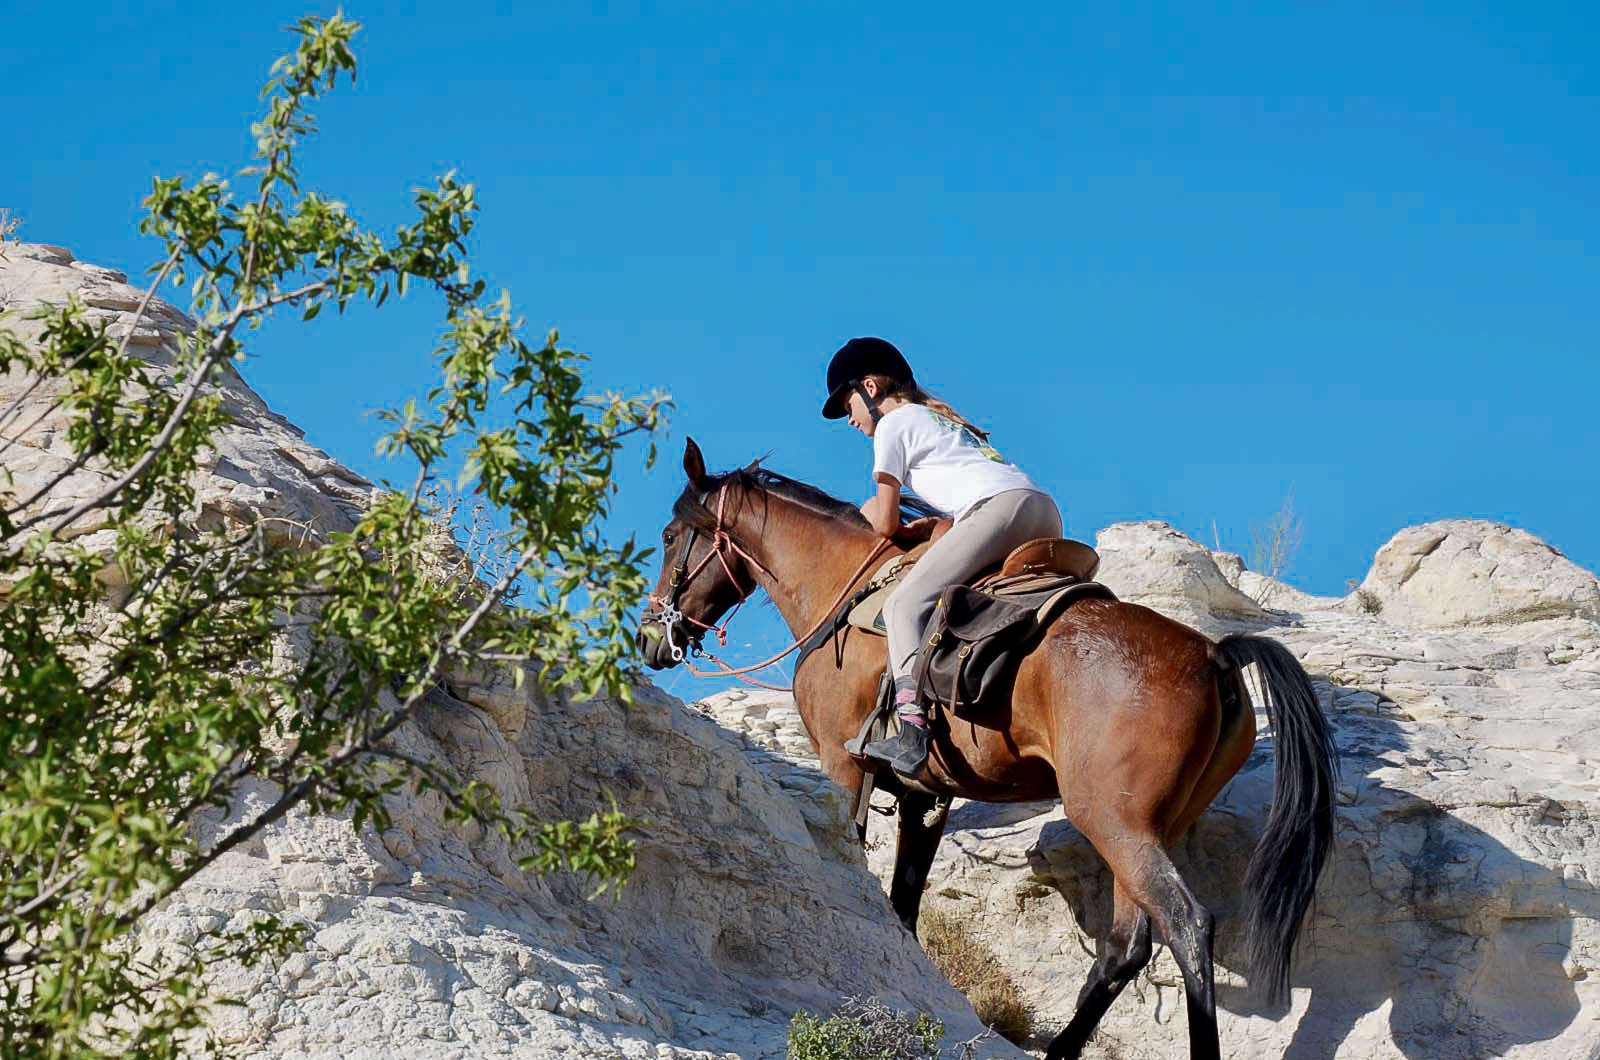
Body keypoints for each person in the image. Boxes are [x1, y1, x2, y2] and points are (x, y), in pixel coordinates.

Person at [822, 337, 1063, 778]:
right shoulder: (935, 417)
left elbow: (884, 522)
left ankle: (912, 732)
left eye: (847, 402)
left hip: (999, 510)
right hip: (1041, 509)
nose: (850, 419)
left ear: (870, 388)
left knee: (903, 605)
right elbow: (955, 509)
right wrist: (929, 528)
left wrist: (871, 513)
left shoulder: (893, 426)